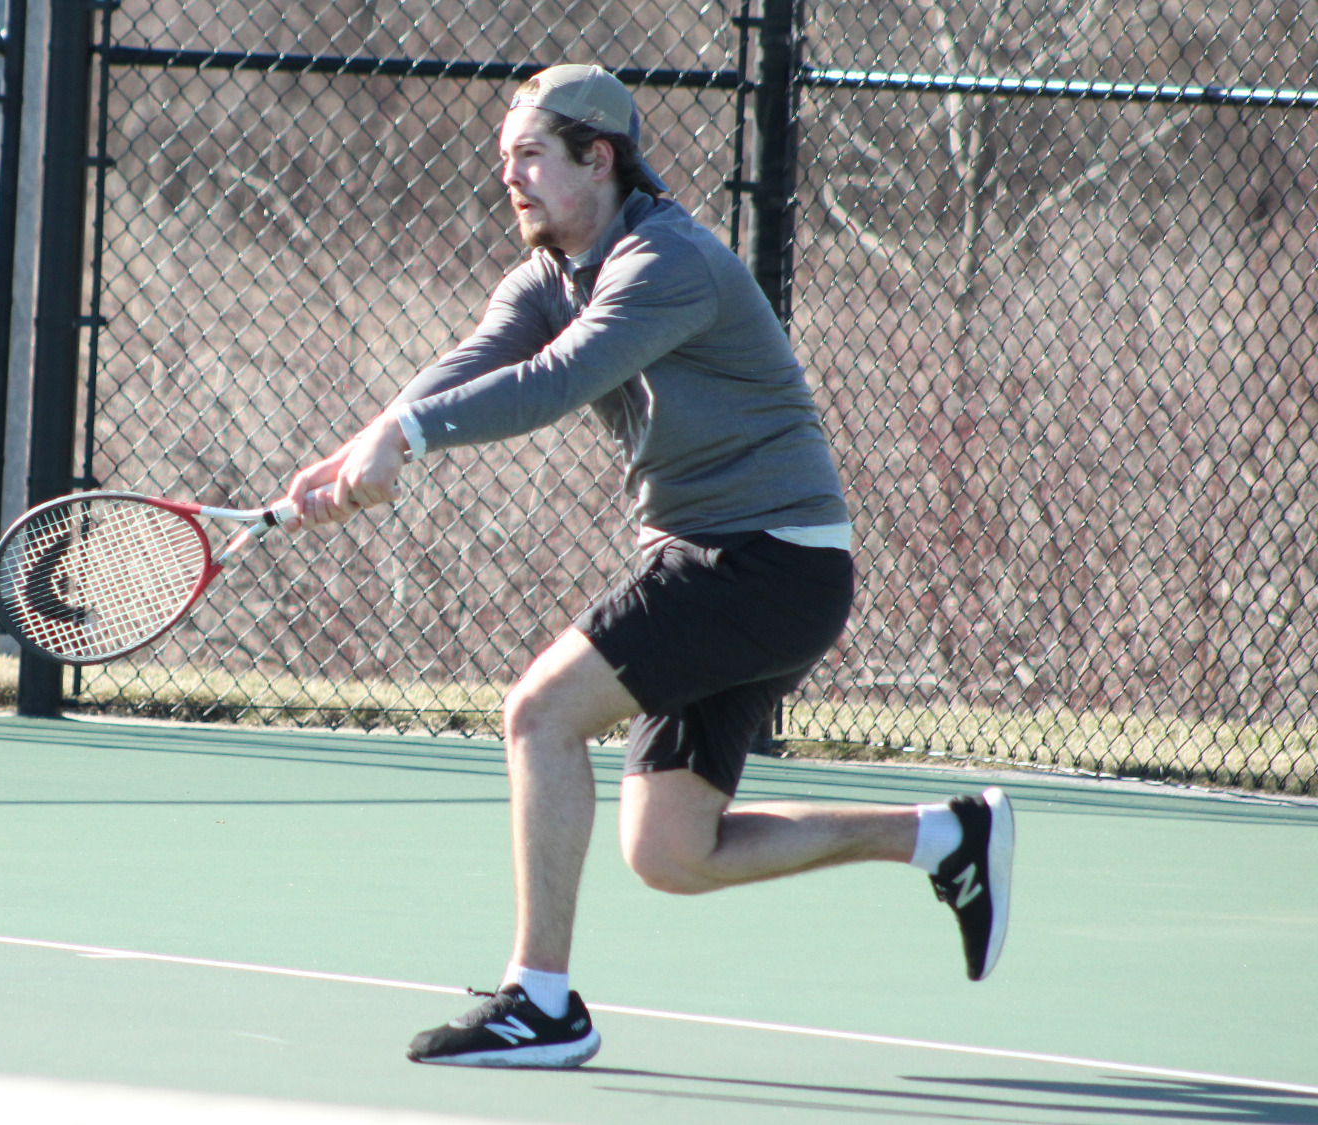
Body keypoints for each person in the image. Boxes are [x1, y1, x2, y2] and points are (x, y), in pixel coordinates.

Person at [284, 64, 1014, 1068]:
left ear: (599, 157)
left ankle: (539, 1005)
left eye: (531, 157)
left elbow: (552, 382)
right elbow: (479, 359)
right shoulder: (547, 275)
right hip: (747, 570)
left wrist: (403, 436)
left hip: (760, 565)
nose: (512, 179)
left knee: (537, 713)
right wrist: (364, 443)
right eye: (504, 161)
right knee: (671, 852)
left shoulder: (662, 261)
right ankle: (942, 838)